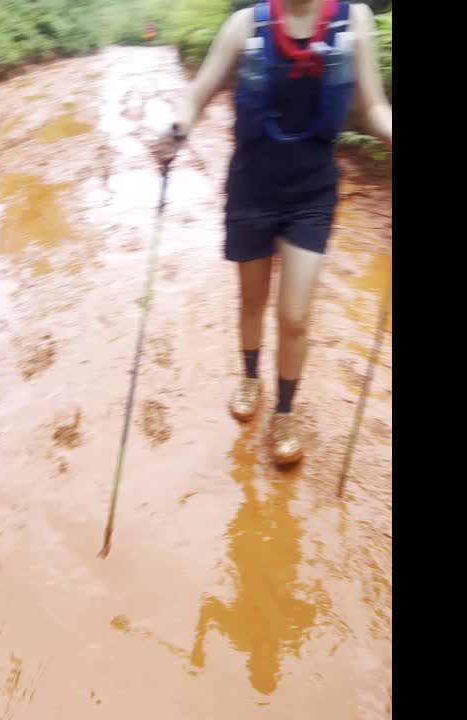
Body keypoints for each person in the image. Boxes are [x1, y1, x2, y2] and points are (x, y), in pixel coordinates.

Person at [157, 0, 392, 464]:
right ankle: (250, 377)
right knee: (252, 301)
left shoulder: (354, 20)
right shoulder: (244, 26)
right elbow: (196, 95)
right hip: (251, 189)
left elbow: (374, 106)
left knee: (295, 316)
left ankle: (284, 411)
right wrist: (177, 128)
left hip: (312, 192)